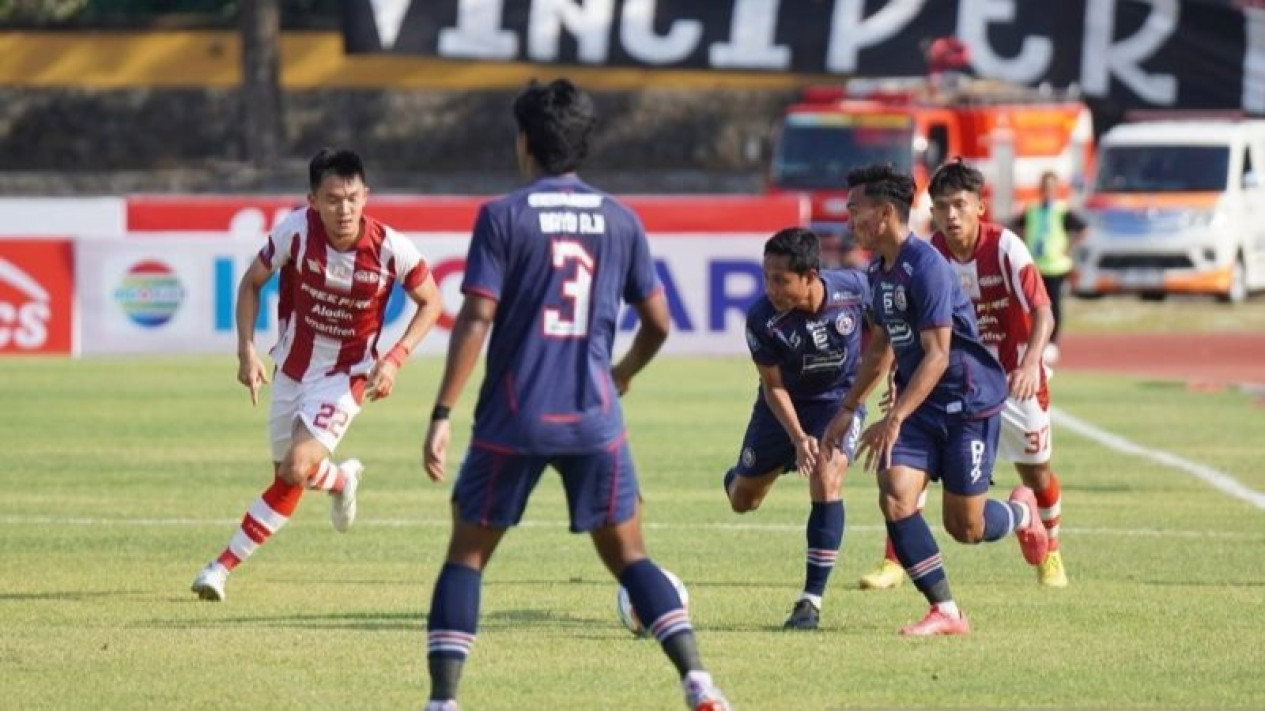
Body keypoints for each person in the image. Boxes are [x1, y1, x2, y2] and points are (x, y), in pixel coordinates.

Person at [419, 79, 731, 711]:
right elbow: (661, 322)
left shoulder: (503, 216)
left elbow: (477, 317)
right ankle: (698, 681)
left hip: (513, 414)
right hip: (594, 416)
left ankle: (443, 703)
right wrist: (624, 373)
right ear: (583, 144)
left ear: (525, 141)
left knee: (467, 558)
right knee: (632, 558)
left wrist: (442, 412)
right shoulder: (621, 219)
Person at [191, 148, 444, 602]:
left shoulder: (391, 248)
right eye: (332, 199)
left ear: (366, 196)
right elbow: (251, 283)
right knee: (292, 476)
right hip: (290, 368)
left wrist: (395, 358)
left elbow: (433, 301)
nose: (343, 209)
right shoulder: (295, 232)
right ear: (312, 201)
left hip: (346, 375)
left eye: (351, 198)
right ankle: (342, 481)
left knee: (294, 469)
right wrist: (246, 351)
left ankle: (220, 568)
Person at [822, 163, 1048, 636]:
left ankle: (1023, 511)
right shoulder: (878, 272)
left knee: (965, 528)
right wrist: (847, 409)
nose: (848, 220)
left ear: (884, 214)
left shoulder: (926, 267)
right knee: (896, 494)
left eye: (854, 210)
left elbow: (939, 355)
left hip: (967, 403)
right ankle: (946, 610)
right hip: (922, 407)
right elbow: (881, 348)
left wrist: (894, 417)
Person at [724, 226, 886, 630]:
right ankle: (748, 473)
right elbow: (772, 384)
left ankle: (810, 601)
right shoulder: (763, 318)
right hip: (783, 409)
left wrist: (882, 389)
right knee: (744, 500)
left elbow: (888, 336)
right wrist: (797, 438)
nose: (770, 288)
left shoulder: (855, 288)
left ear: (811, 276)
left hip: (838, 403)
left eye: (780, 279)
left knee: (827, 476)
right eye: (766, 278)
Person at [1017, 170, 1087, 364]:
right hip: (1035, 266)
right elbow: (1018, 227)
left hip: (1056, 265)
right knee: (1031, 305)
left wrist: (1068, 248)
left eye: (1051, 187)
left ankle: (1052, 342)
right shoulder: (1032, 209)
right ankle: (1034, 340)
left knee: (1053, 305)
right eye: (1044, 186)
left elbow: (1083, 229)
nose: (1047, 190)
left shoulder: (1062, 210)